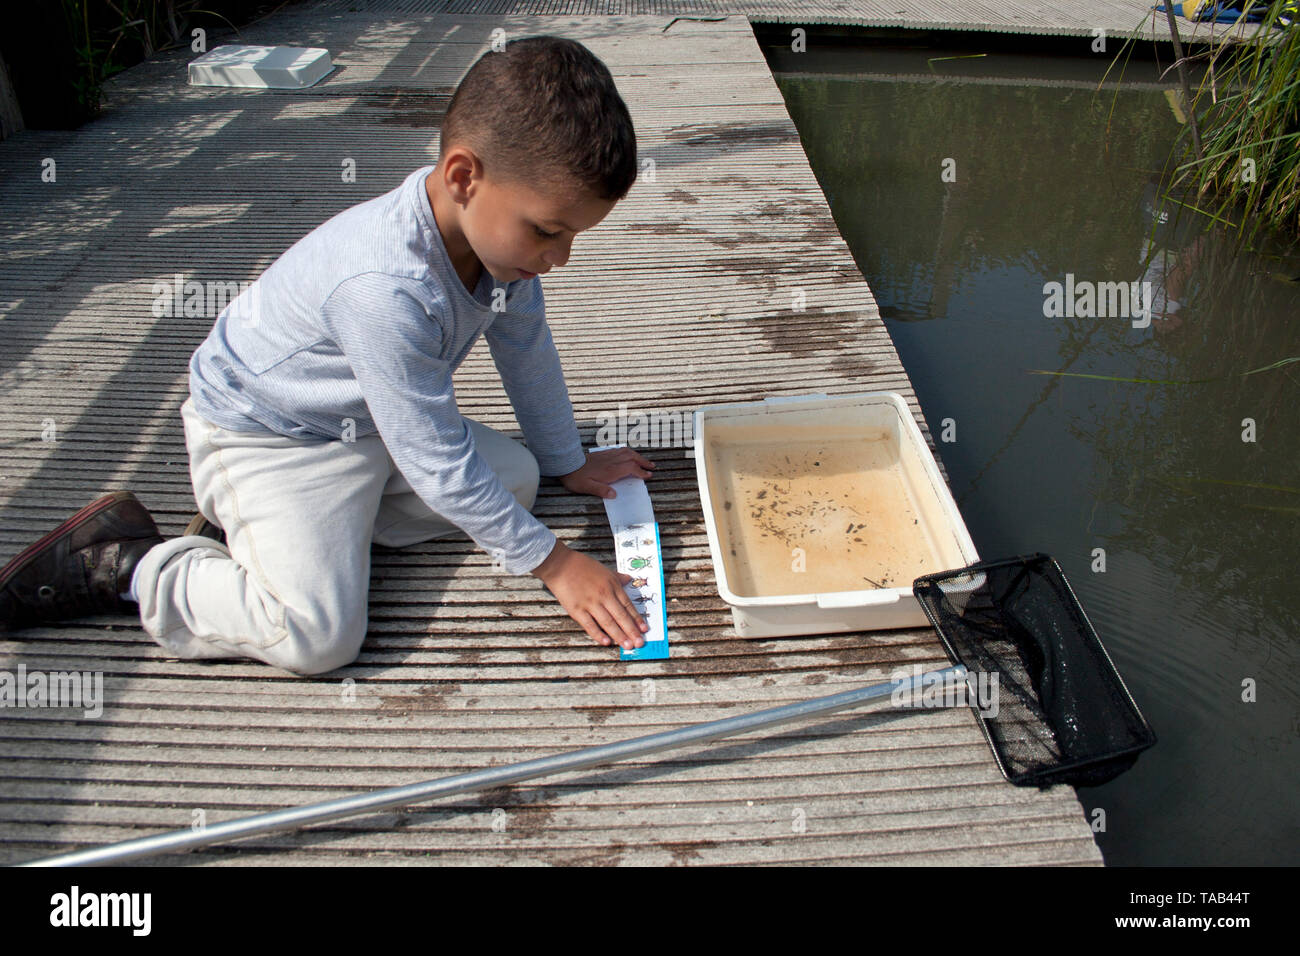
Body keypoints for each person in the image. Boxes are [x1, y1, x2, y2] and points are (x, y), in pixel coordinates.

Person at [0, 36, 656, 673]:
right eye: (547, 230)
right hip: (268, 439)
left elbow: (526, 350)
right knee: (318, 635)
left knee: (520, 478)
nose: (559, 258)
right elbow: (431, 454)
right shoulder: (382, 287)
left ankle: (303, 539)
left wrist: (568, 460)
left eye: (572, 236)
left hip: (368, 424)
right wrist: (556, 564)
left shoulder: (500, 254)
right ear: (463, 176)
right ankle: (137, 564)